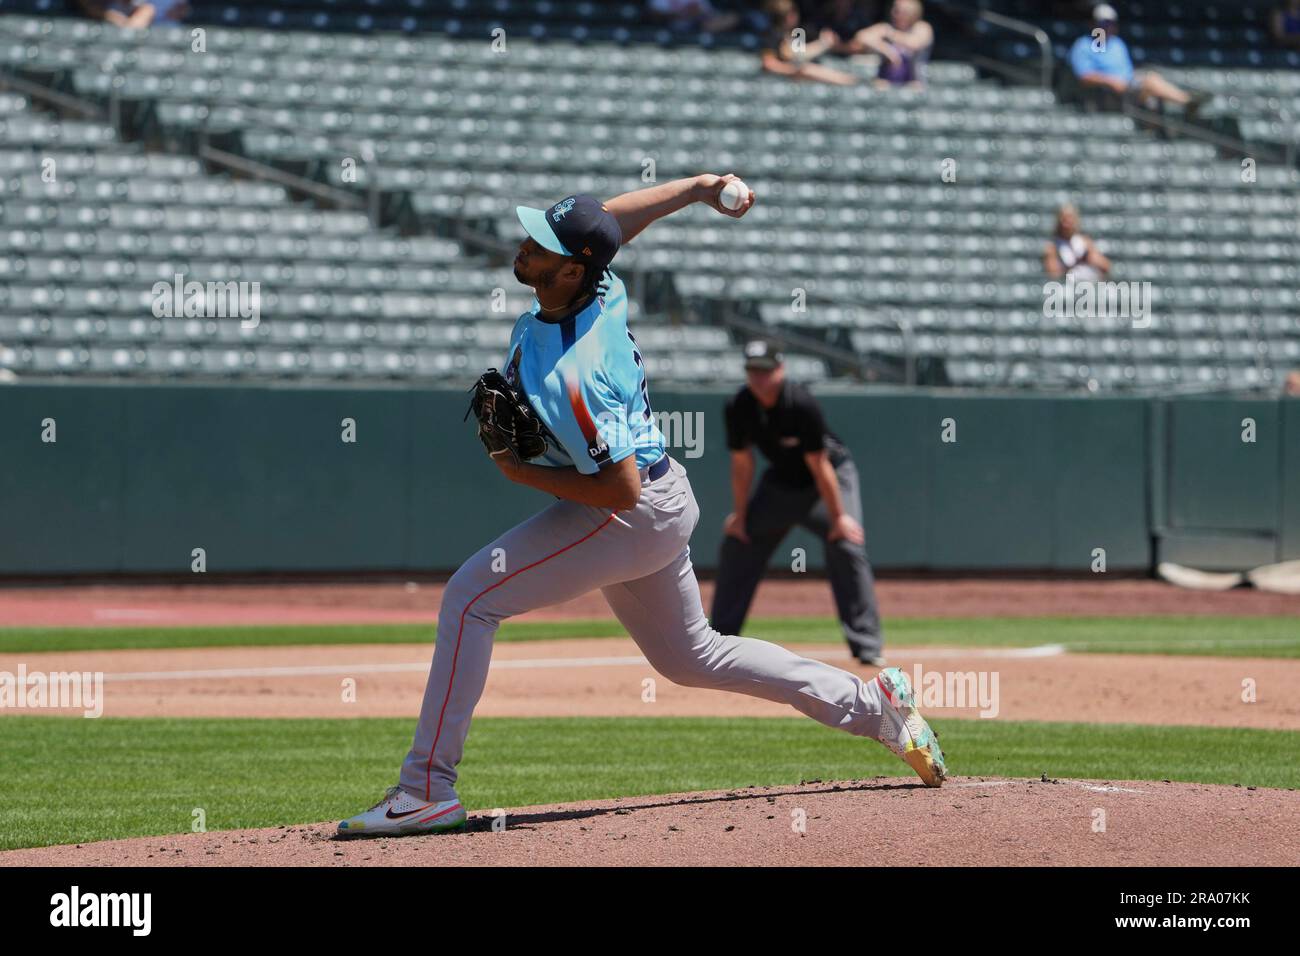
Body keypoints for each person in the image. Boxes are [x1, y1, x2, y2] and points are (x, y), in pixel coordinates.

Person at [337, 176, 947, 837]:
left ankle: (427, 787)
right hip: (660, 495)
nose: (524, 243)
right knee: (694, 658)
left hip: (629, 511)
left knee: (469, 598)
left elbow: (619, 489)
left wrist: (519, 472)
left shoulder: (578, 374)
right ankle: (873, 706)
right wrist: (698, 188)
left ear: (569, 270)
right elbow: (611, 225)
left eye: (540, 242)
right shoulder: (598, 285)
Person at [711, 341, 886, 667]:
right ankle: (719, 641)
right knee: (738, 540)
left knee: (847, 543)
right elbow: (742, 464)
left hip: (827, 479)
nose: (759, 377)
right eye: (753, 371)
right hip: (781, 483)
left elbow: (820, 466)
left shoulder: (799, 403)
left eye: (765, 370)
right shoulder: (739, 405)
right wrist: (742, 515)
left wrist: (838, 518)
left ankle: (867, 646)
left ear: (781, 370)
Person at [1069, 4, 1208, 117]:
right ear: (1093, 24)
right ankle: (1186, 101)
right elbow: (1084, 76)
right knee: (1150, 80)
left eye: (1110, 23)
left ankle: (1161, 134)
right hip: (1108, 93)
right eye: (1103, 23)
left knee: (1152, 98)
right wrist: (1111, 81)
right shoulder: (1083, 45)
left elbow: (1127, 71)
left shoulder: (1117, 44)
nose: (1107, 27)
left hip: (1129, 88)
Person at [760, 0, 859, 86]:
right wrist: (792, 70)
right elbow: (769, 64)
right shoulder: (772, 35)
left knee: (810, 68)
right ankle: (850, 82)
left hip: (798, 75)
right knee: (806, 69)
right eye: (792, 13)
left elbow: (799, 55)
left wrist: (824, 43)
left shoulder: (797, 33)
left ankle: (849, 81)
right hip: (781, 78)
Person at [846, 0, 933, 89]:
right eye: (894, 9)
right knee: (879, 86)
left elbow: (915, 43)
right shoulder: (887, 28)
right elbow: (861, 37)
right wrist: (886, 50)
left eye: (899, 10)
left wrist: (890, 34)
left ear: (913, 13)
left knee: (915, 88)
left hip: (913, 83)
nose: (894, 13)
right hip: (885, 82)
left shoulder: (922, 27)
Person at [1043, 203, 1111, 280]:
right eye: (1064, 219)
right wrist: (1072, 265)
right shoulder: (1053, 246)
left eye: (1070, 218)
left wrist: (1089, 258)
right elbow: (1053, 274)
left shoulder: (1085, 242)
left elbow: (1106, 266)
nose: (1068, 223)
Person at [646, 0, 739, 34]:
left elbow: (707, 13)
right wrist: (681, 13)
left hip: (696, 28)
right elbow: (654, 14)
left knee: (732, 18)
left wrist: (695, 13)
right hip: (668, 28)